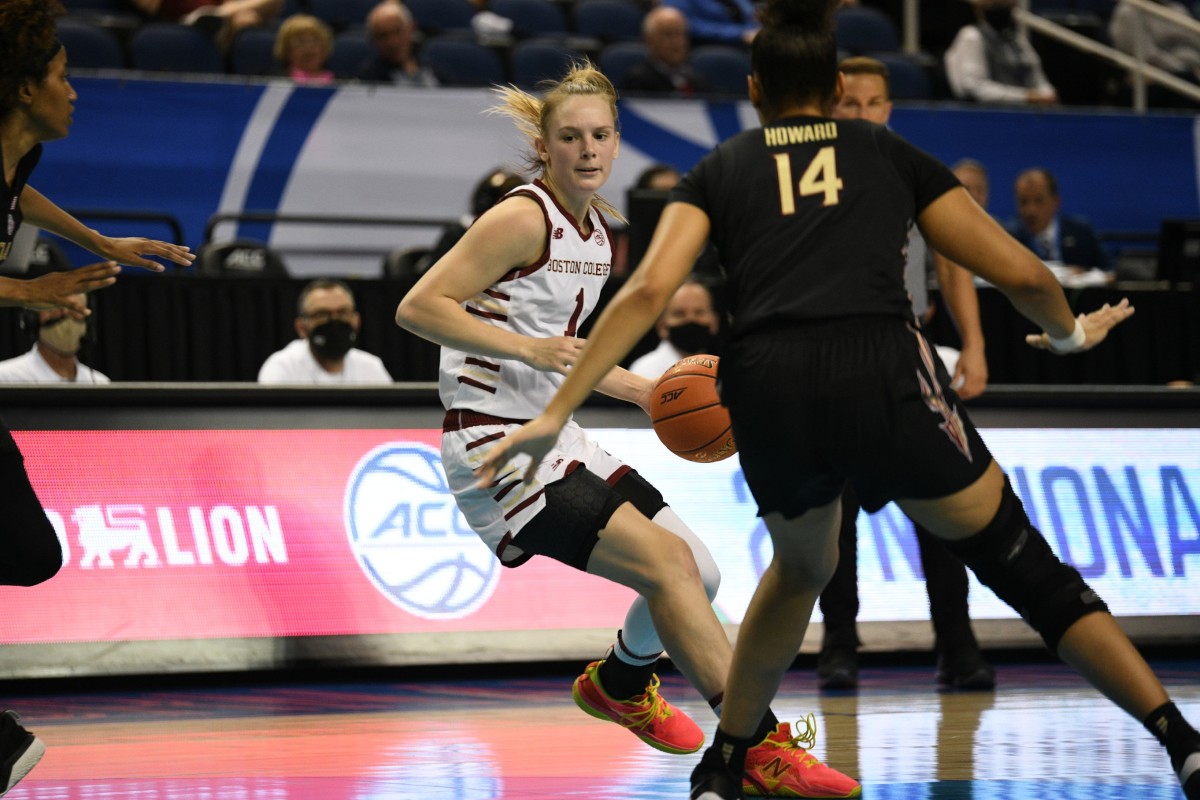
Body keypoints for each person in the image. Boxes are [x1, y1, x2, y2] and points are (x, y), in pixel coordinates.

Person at [470, 3, 1200, 799]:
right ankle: (1178, 736)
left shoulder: (721, 169)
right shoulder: (886, 153)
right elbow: (1022, 274)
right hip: (882, 370)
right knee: (1020, 563)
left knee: (795, 570)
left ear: (753, 89)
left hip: (773, 384)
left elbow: (646, 293)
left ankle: (723, 765)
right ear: (837, 87)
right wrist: (1068, 337)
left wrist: (553, 414)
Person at [395, 61, 861, 799]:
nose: (587, 149)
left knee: (700, 572)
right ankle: (757, 744)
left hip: (557, 433)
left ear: (617, 144)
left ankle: (618, 680)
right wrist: (525, 348)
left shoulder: (600, 233)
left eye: (601, 135)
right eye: (570, 137)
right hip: (497, 448)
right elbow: (417, 306)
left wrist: (644, 390)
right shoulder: (521, 216)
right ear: (543, 147)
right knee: (668, 567)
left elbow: (568, 349)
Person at [1, 0, 195, 791]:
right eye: (61, 76)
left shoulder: (16, 159)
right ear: (23, 91)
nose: (74, 91)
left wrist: (102, 242)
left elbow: (20, 201)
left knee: (29, 553)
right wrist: (28, 289)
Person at [816, 55, 993, 692]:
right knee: (832, 516)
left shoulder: (913, 171)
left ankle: (958, 646)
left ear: (889, 109)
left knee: (943, 507)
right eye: (849, 104)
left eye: (872, 104)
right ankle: (839, 646)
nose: (861, 114)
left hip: (908, 350)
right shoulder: (808, 175)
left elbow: (954, 263)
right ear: (830, 107)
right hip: (830, 356)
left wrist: (972, 344)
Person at [258, 279, 392, 384]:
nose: (334, 321)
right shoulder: (282, 368)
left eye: (342, 313)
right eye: (322, 314)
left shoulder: (371, 368)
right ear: (301, 327)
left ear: (356, 321)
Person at [1007, 167, 1114, 282]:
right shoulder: (1009, 237)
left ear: (1055, 201)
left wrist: (1084, 275)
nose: (1031, 210)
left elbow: (1110, 272)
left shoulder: (1080, 231)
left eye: (1039, 200)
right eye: (1024, 202)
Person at [943, 0, 1059, 106]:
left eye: (1005, 5)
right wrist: (1025, 97)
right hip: (986, 116)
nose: (1001, 9)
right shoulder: (971, 36)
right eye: (994, 5)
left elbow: (1037, 77)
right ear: (979, 9)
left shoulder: (1017, 40)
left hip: (1027, 115)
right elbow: (975, 88)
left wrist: (1046, 94)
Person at [0, 293, 108, 384]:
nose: (67, 322)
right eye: (56, 310)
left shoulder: (100, 383)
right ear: (33, 319)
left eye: (75, 311)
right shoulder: (6, 378)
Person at [629, 278, 721, 379]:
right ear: (662, 326)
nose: (690, 319)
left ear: (714, 322)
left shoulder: (726, 370)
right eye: (679, 314)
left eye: (699, 312)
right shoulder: (643, 371)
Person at [624, 5, 711, 96]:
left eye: (680, 34)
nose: (676, 42)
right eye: (668, 34)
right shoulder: (638, 80)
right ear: (649, 40)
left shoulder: (698, 79)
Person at [357, 1, 439, 87]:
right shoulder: (368, 79)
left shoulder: (430, 67)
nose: (392, 42)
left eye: (397, 31)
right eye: (383, 36)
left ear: (411, 29)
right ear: (373, 40)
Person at [128, 0, 282, 46]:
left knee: (247, 18)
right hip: (180, 22)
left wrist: (235, 12)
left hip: (219, 13)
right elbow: (149, 5)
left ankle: (219, 18)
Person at [661, 0, 760, 46]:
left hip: (749, 39)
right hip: (711, 44)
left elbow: (749, 14)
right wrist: (740, 34)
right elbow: (689, 25)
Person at [274, 13, 335, 86]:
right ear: (287, 49)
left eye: (315, 41)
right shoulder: (272, 82)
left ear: (325, 48)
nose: (308, 48)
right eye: (301, 42)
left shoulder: (343, 83)